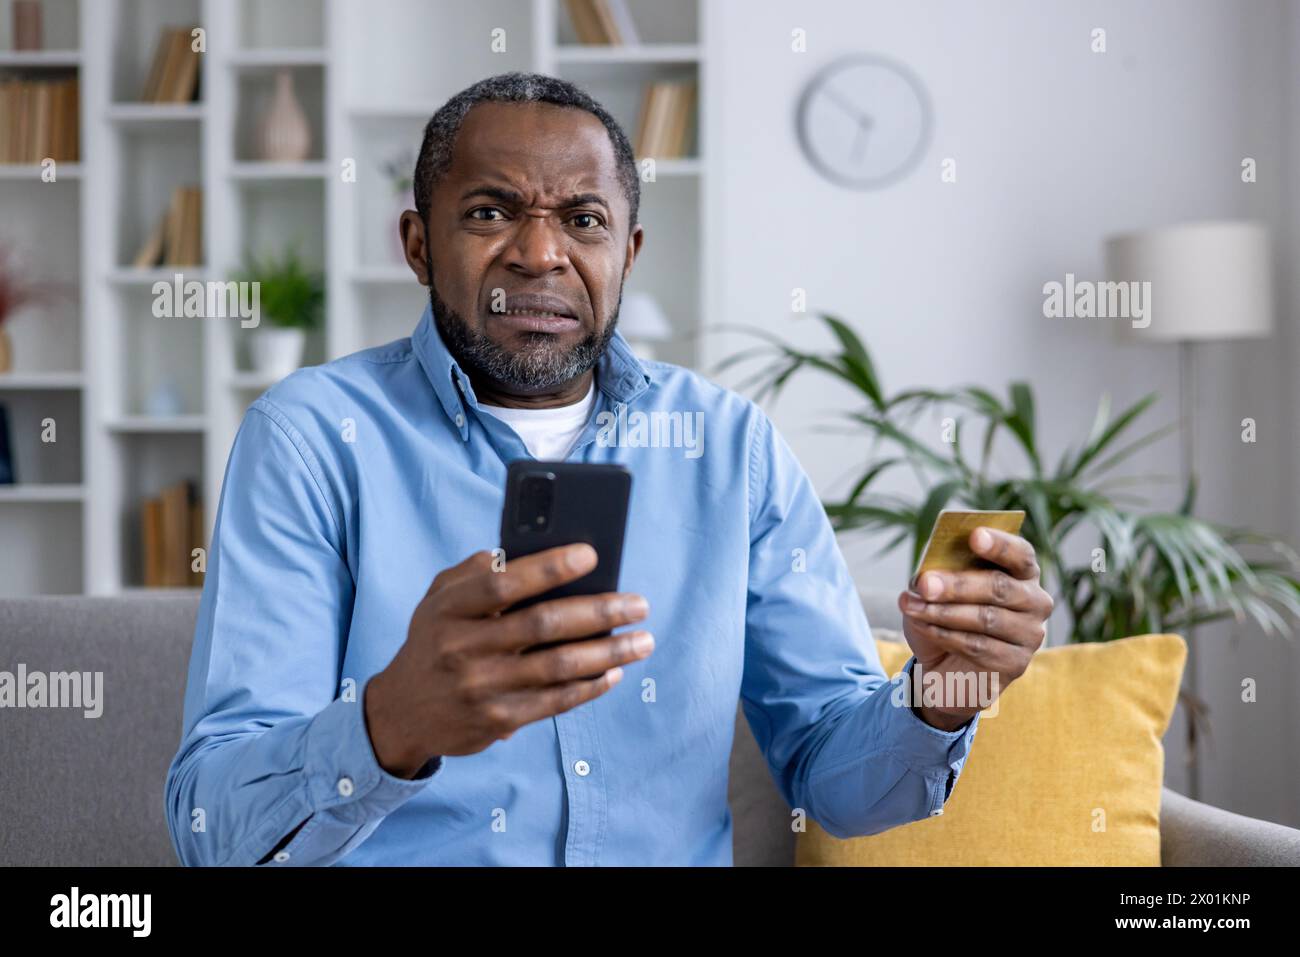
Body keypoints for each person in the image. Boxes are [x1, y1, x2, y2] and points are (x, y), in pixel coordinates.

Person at [164, 72, 1052, 866]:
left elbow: (837, 780)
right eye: (489, 211)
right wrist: (390, 723)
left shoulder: (730, 448)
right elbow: (210, 830)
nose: (539, 253)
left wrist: (942, 693)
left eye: (583, 220)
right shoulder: (311, 438)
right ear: (418, 245)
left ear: (625, 253)